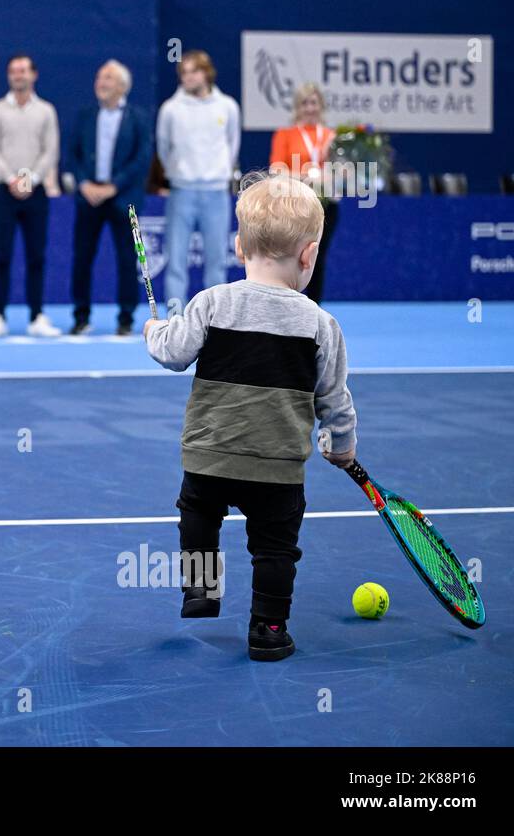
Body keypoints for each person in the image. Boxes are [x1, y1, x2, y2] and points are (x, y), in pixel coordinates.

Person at [143, 171, 357, 662]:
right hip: (277, 468)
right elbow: (335, 400)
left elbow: (173, 352)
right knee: (276, 549)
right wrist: (341, 445)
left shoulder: (211, 303)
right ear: (309, 256)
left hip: (210, 457)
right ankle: (269, 628)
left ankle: (200, 589)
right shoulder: (321, 325)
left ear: (240, 247)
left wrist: (153, 331)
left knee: (198, 516)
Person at [68, 59, 152, 336]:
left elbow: (142, 159)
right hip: (89, 197)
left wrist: (114, 186)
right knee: (82, 258)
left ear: (122, 86)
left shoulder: (138, 117)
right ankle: (80, 317)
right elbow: (72, 154)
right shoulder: (85, 115)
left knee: (127, 259)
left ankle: (125, 318)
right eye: (99, 78)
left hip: (123, 198)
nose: (101, 83)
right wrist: (83, 183)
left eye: (108, 78)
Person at [0, 54, 61, 338]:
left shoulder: (46, 111)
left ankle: (37, 315)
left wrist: (30, 179)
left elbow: (50, 151)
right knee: (2, 255)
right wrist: (12, 179)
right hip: (5, 191)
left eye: (23, 70)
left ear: (33, 75)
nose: (18, 75)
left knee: (35, 256)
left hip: (35, 192)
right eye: (13, 71)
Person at [155, 50, 240, 311]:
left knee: (216, 262)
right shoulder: (170, 109)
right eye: (183, 73)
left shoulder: (227, 106)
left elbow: (232, 144)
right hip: (182, 192)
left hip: (216, 193)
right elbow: (163, 148)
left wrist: (218, 172)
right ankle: (174, 318)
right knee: (176, 259)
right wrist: (180, 173)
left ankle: (215, 319)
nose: (188, 77)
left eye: (194, 71)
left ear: (207, 73)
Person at [270, 82, 337, 303]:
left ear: (321, 106)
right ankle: (291, 305)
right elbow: (276, 169)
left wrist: (334, 174)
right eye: (305, 103)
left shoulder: (331, 136)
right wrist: (305, 176)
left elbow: (343, 171)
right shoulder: (285, 134)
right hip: (296, 205)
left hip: (326, 205)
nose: (310, 108)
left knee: (316, 258)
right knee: (293, 257)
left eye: (314, 103)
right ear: (298, 107)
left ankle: (314, 309)